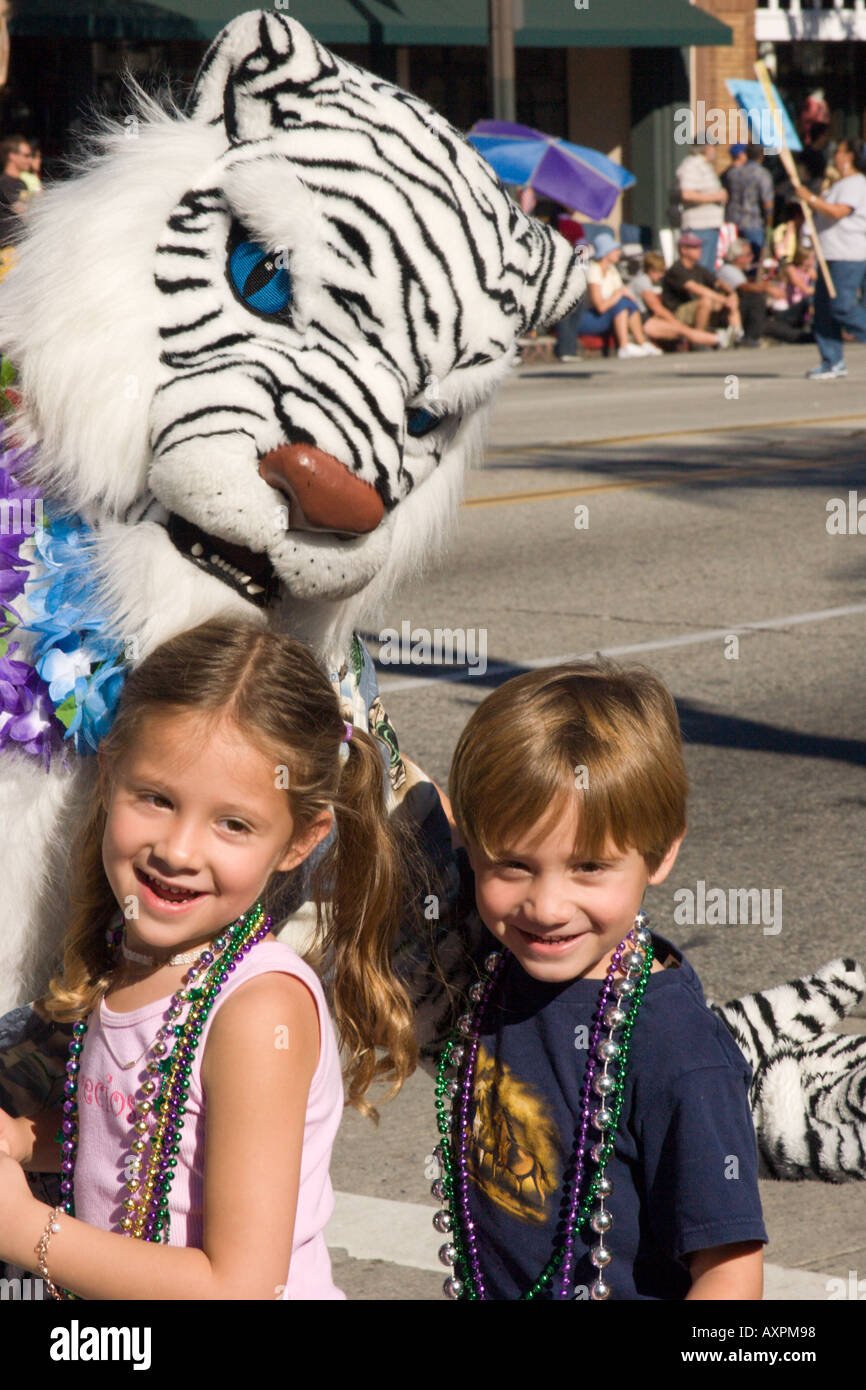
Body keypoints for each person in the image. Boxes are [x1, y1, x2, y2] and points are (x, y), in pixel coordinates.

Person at [0, 617, 418, 1299]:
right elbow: (134, 1138)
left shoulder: (258, 1012)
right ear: (108, 778)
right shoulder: (136, 953)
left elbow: (238, 1285)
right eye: (157, 799)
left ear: (297, 841)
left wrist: (28, 1233)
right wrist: (25, 1138)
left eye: (233, 823)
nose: (179, 850)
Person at [432, 661, 767, 1301]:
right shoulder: (494, 969)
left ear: (662, 851)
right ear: (470, 850)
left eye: (589, 867)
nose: (547, 906)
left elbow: (729, 1272)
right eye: (513, 865)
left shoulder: (679, 1052)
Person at [793, 138, 866, 380]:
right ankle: (832, 360)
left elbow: (838, 212)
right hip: (829, 254)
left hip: (848, 254)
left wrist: (810, 198)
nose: (835, 155)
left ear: (849, 157)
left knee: (841, 307)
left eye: (839, 151)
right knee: (823, 310)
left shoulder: (856, 184)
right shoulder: (836, 185)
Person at [575, 229, 661, 360]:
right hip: (590, 318)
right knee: (621, 302)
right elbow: (600, 307)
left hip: (608, 315)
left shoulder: (612, 270)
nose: (618, 253)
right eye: (615, 250)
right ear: (606, 252)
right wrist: (619, 294)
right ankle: (624, 346)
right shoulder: (594, 270)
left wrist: (623, 294)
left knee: (628, 302)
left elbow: (623, 293)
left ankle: (642, 343)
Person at [630, 250, 730, 351]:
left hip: (643, 319)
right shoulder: (642, 281)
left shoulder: (643, 281)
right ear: (651, 270)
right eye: (660, 272)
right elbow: (657, 308)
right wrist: (674, 321)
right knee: (682, 329)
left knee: (682, 330)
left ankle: (715, 339)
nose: (661, 275)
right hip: (642, 321)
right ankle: (717, 339)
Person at [716, 239, 809, 348]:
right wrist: (766, 288)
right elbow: (743, 288)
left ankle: (807, 335)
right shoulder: (728, 269)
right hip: (732, 312)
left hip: (750, 315)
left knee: (781, 330)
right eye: (748, 254)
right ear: (738, 257)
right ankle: (751, 337)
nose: (751, 257)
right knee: (756, 298)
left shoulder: (739, 271)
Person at [660, 232, 742, 339]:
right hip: (677, 312)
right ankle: (699, 338)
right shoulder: (676, 269)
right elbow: (696, 289)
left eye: (699, 246)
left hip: (697, 307)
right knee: (706, 300)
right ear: (683, 250)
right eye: (695, 247)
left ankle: (737, 335)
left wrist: (731, 294)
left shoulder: (699, 268)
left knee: (731, 300)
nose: (699, 250)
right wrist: (722, 299)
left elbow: (718, 282)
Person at [674, 138, 727, 271]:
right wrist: (716, 196)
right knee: (699, 268)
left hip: (710, 225)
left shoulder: (705, 166)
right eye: (713, 147)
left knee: (708, 270)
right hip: (698, 227)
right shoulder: (691, 165)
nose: (714, 150)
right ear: (706, 148)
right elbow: (687, 194)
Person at [722, 144, 774, 263]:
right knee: (753, 260)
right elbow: (768, 202)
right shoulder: (762, 174)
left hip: (732, 220)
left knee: (733, 257)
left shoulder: (733, 172)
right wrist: (769, 223)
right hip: (753, 222)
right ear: (761, 156)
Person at [0, 134, 31, 249]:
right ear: (12, 156)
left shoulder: (22, 182)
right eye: (26, 156)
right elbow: (23, 210)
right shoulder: (5, 183)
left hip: (20, 246)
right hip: (8, 249)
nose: (30, 160)